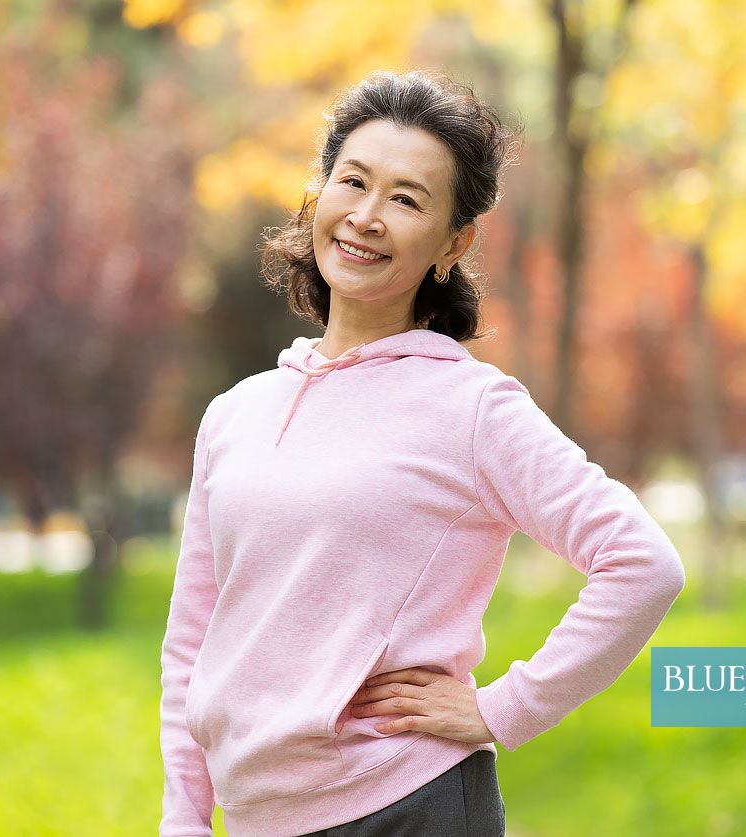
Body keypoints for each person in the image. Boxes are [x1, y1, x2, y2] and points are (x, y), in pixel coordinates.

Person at [158, 69, 687, 837]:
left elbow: (641, 563)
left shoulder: (470, 408)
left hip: (405, 807)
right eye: (354, 182)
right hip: (256, 817)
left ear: (452, 243)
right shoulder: (235, 414)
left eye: (406, 199)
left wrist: (503, 707)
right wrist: (182, 813)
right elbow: (191, 642)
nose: (367, 217)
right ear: (321, 196)